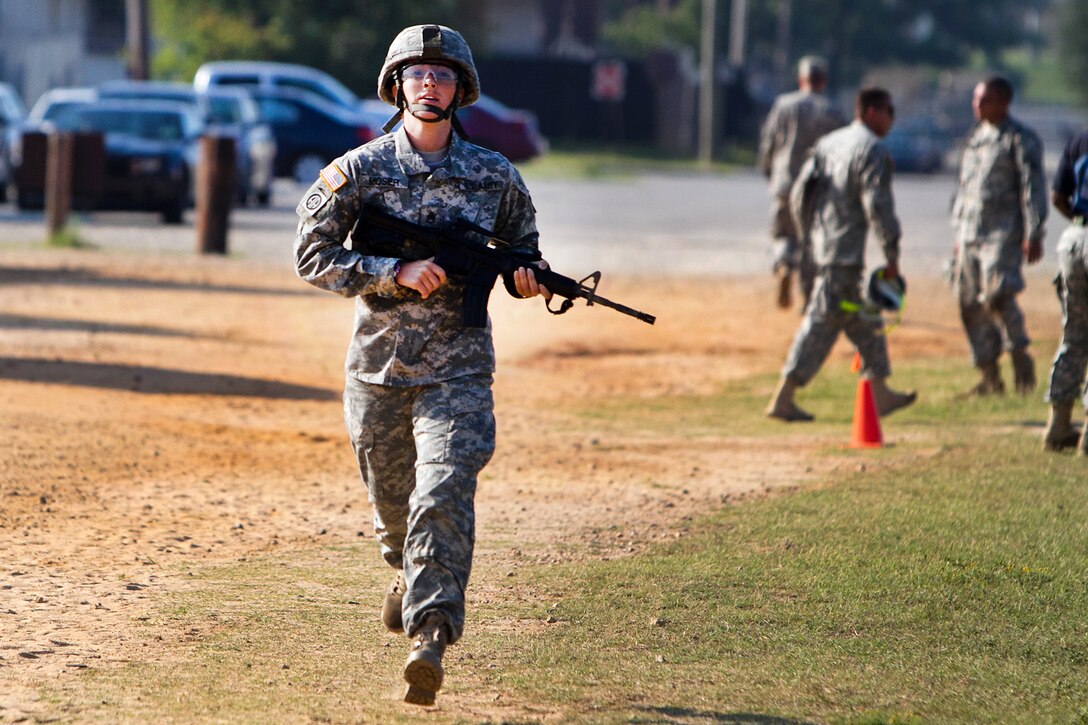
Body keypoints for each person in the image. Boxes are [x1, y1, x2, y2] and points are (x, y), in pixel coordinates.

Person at [292, 24, 549, 706]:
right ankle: (406, 574)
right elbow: (311, 254)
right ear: (398, 85)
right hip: (379, 370)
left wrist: (529, 279)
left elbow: (525, 249)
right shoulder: (361, 169)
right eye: (417, 74)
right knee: (395, 514)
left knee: (443, 492)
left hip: (459, 371)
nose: (429, 85)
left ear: (459, 89)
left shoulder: (495, 175)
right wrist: (392, 270)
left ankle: (430, 633)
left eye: (441, 75)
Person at [766, 88, 916, 422]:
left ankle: (879, 393)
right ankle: (783, 397)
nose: (892, 119)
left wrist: (808, 238)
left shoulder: (828, 144)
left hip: (823, 249)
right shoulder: (871, 150)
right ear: (872, 111)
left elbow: (798, 195)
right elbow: (878, 206)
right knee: (820, 324)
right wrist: (892, 255)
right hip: (844, 256)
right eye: (890, 111)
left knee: (864, 321)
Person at [951, 76, 1048, 396]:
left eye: (984, 100)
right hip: (969, 234)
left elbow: (1033, 187)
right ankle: (989, 376)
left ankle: (1020, 358)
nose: (976, 105)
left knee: (998, 296)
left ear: (1003, 103)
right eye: (976, 99)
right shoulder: (976, 138)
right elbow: (964, 189)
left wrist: (1034, 232)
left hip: (1002, 234)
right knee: (968, 302)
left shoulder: (1019, 139)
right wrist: (957, 232)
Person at [758, 55, 847, 311]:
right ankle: (808, 297)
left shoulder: (784, 105)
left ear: (801, 79)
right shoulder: (833, 110)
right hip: (817, 187)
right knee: (811, 241)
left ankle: (784, 263)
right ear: (823, 81)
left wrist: (769, 172)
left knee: (782, 233)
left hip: (785, 183)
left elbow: (768, 142)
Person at [1042, 127, 1088, 454]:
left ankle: (1057, 426)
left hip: (1073, 241)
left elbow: (1058, 197)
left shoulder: (1078, 139)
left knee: (1074, 335)